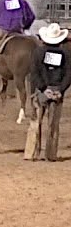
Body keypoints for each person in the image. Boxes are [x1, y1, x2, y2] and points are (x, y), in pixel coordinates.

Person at [26, 23, 71, 162]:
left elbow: (34, 73)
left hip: (41, 91)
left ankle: (32, 153)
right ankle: (51, 154)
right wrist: (61, 90)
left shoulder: (38, 52)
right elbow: (68, 74)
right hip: (57, 90)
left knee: (36, 121)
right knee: (53, 125)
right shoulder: (66, 54)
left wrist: (44, 88)